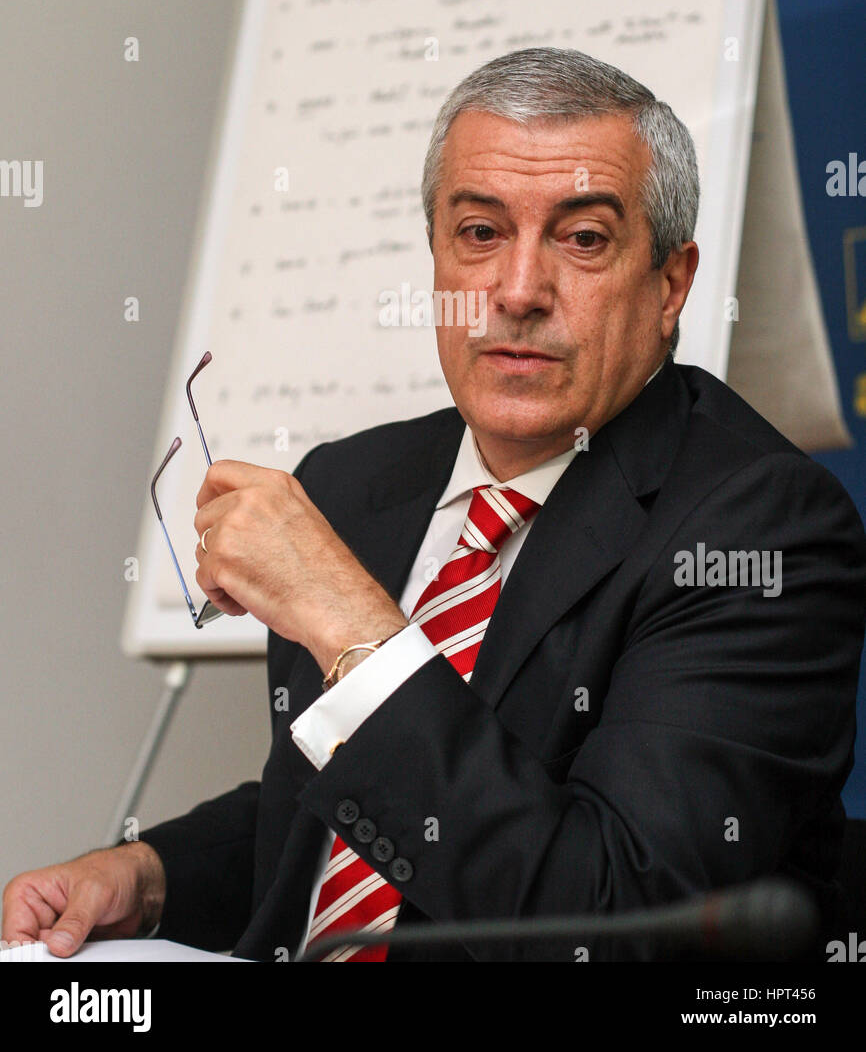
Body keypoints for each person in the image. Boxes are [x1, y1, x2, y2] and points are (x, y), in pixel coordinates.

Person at [4, 47, 865, 962]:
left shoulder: (760, 529)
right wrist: (150, 876)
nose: (519, 292)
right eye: (481, 233)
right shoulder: (356, 484)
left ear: (669, 285)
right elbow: (342, 817)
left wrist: (353, 623)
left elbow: (607, 915)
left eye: (582, 240)